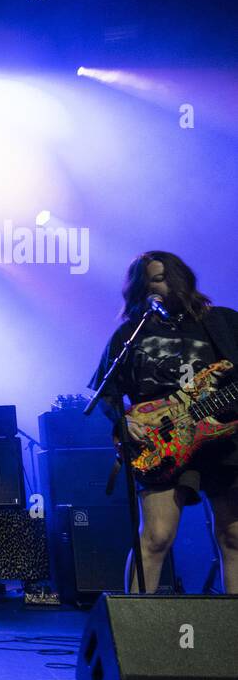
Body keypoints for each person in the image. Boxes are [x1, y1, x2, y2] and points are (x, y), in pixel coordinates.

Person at [90, 251, 238, 594]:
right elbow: (106, 393)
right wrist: (122, 422)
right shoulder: (131, 334)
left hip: (222, 437)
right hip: (163, 439)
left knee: (233, 537)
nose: (154, 287)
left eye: (159, 278)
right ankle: (134, 633)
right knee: (156, 537)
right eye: (147, 282)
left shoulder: (223, 323)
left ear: (179, 278)